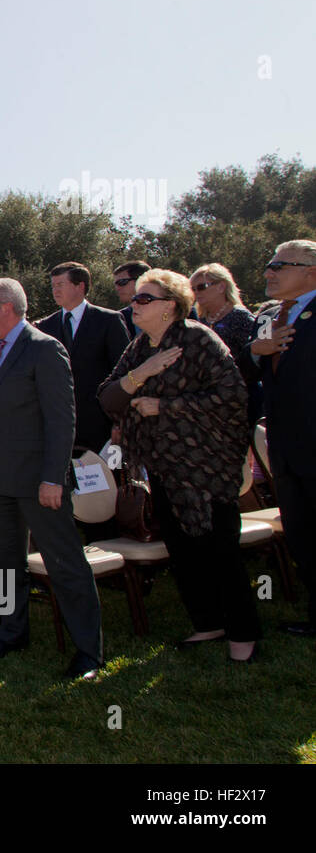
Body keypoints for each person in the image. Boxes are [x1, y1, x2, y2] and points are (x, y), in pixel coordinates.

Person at [99, 270, 258, 662]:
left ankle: (244, 633)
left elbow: (233, 395)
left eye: (144, 299)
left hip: (206, 469)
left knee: (219, 549)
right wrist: (143, 374)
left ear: (170, 305)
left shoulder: (198, 339)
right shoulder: (139, 348)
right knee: (183, 549)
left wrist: (165, 407)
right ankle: (207, 622)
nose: (133, 305)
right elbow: (108, 397)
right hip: (162, 469)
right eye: (134, 299)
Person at [0, 280, 104, 679]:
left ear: (7, 308)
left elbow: (62, 421)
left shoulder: (44, 349)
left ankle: (89, 652)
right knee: (7, 564)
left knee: (64, 563)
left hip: (40, 482)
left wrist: (54, 479)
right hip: (2, 482)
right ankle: (13, 634)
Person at [249, 240, 316, 638]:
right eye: (269, 265)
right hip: (287, 453)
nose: (270, 273)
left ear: (311, 270)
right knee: (303, 535)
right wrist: (256, 350)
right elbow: (247, 364)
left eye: (281, 265)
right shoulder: (271, 315)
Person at [36, 261, 131, 453]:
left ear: (80, 286)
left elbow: (123, 373)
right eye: (53, 285)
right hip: (59, 428)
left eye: (60, 284)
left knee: (111, 478)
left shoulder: (108, 320)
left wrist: (120, 422)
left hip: (102, 426)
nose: (55, 290)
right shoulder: (45, 327)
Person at [114, 260, 152, 339]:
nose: (117, 288)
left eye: (122, 282)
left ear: (140, 280)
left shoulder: (169, 311)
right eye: (115, 284)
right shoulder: (119, 318)